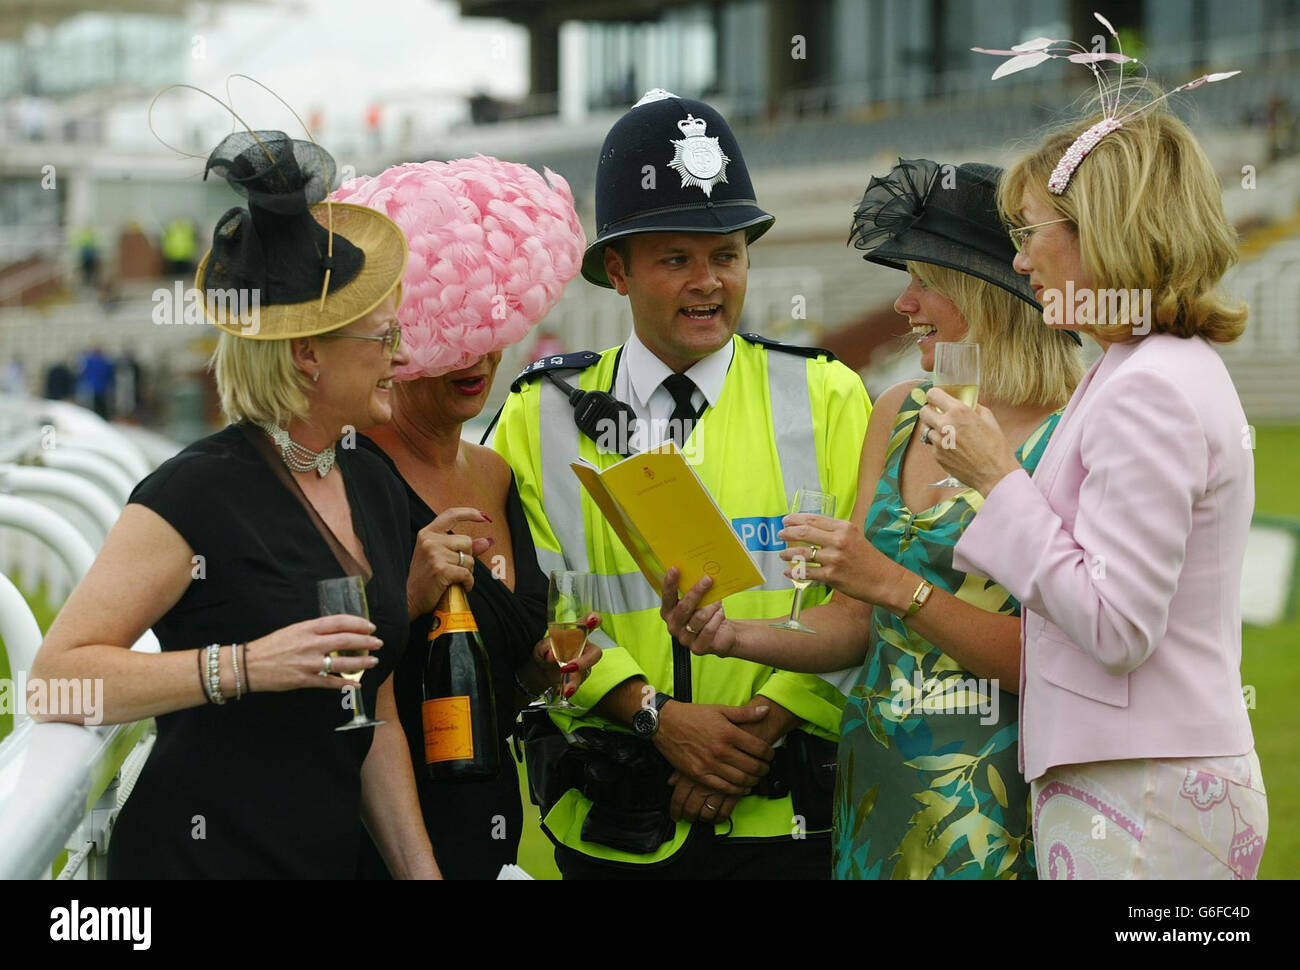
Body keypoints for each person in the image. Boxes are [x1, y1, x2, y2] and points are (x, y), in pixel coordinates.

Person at [30, 129, 440, 879]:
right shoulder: (195, 492)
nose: (402, 357)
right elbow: (56, 679)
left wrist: (422, 875)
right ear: (307, 353)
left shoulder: (372, 480)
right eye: (384, 338)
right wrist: (242, 665)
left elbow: (369, 708)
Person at [664, 159, 1082, 879]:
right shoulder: (898, 415)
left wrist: (891, 582)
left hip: (998, 810)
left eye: (925, 281)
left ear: (983, 293)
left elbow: (1054, 659)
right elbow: (856, 624)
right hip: (873, 796)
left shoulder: (1071, 430)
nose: (904, 303)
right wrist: (736, 636)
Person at [492, 89, 872, 879]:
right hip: (615, 828)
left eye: (726, 255)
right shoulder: (540, 415)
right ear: (619, 272)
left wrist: (763, 725)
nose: (709, 282)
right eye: (677, 259)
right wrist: (653, 716)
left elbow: (872, 597)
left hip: (790, 824)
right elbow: (521, 615)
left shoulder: (829, 395)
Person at [926, 37, 1267, 879]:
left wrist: (994, 480)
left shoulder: (1150, 384)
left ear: (1101, 232)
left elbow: (1117, 625)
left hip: (1144, 791)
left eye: (1031, 232)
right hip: (1141, 783)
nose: (1019, 259)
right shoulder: (1139, 367)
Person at [332, 156, 598, 879]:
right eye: (449, 332)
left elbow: (497, 685)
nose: (476, 354)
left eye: (490, 323)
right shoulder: (349, 471)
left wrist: (546, 672)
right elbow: (328, 672)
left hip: (486, 822)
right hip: (379, 838)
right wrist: (408, 598)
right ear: (402, 336)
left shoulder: (495, 473)